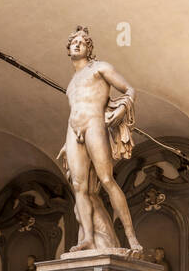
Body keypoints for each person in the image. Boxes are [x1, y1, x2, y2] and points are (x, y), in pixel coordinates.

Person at [57, 26, 142, 254]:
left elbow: (129, 89)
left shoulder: (100, 68)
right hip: (73, 130)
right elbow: (75, 109)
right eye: (73, 42)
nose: (77, 44)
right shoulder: (71, 84)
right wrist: (67, 143)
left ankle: (131, 238)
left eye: (82, 42)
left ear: (89, 48)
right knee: (79, 187)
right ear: (68, 49)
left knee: (106, 179)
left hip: (94, 124)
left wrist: (123, 107)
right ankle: (88, 239)